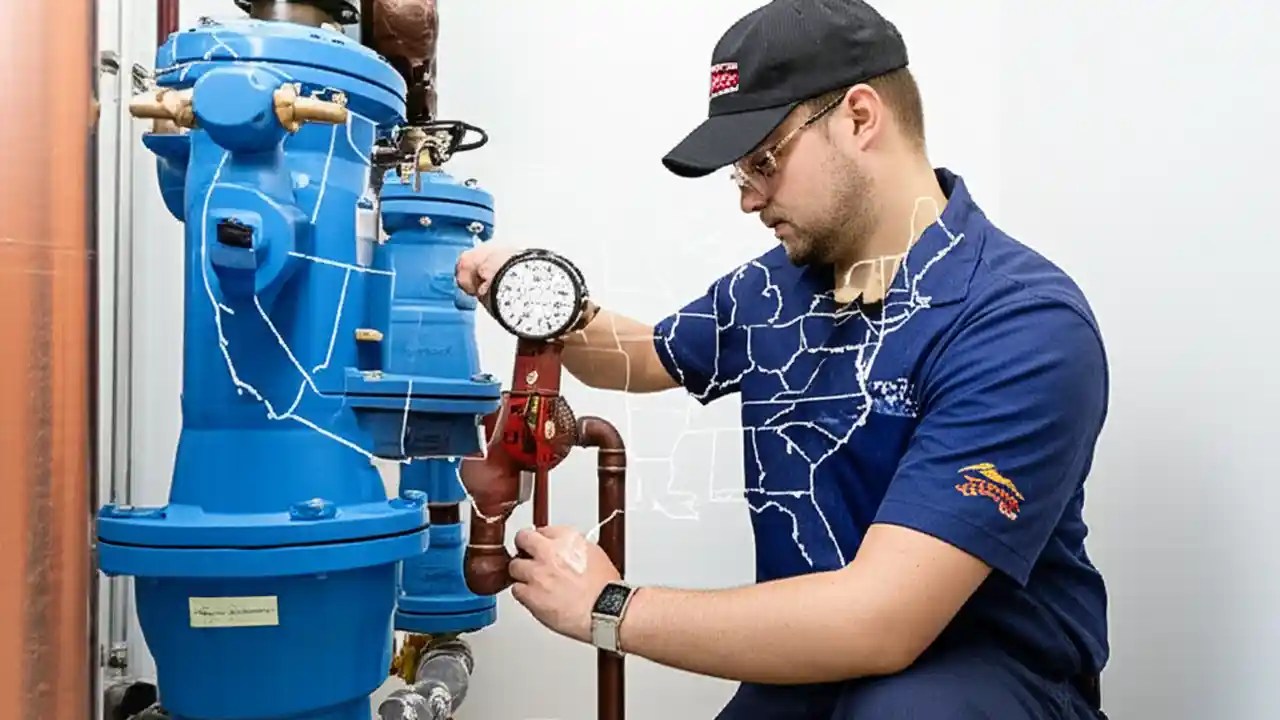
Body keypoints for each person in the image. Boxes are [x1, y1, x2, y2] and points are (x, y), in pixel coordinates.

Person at [454, 1, 1111, 718]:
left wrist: (609, 607)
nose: (750, 200)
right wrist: (549, 301)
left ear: (861, 118)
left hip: (979, 678)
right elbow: (643, 359)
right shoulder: (780, 286)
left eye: (764, 161)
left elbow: (880, 621)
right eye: (742, 174)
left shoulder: (1020, 323)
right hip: (814, 671)